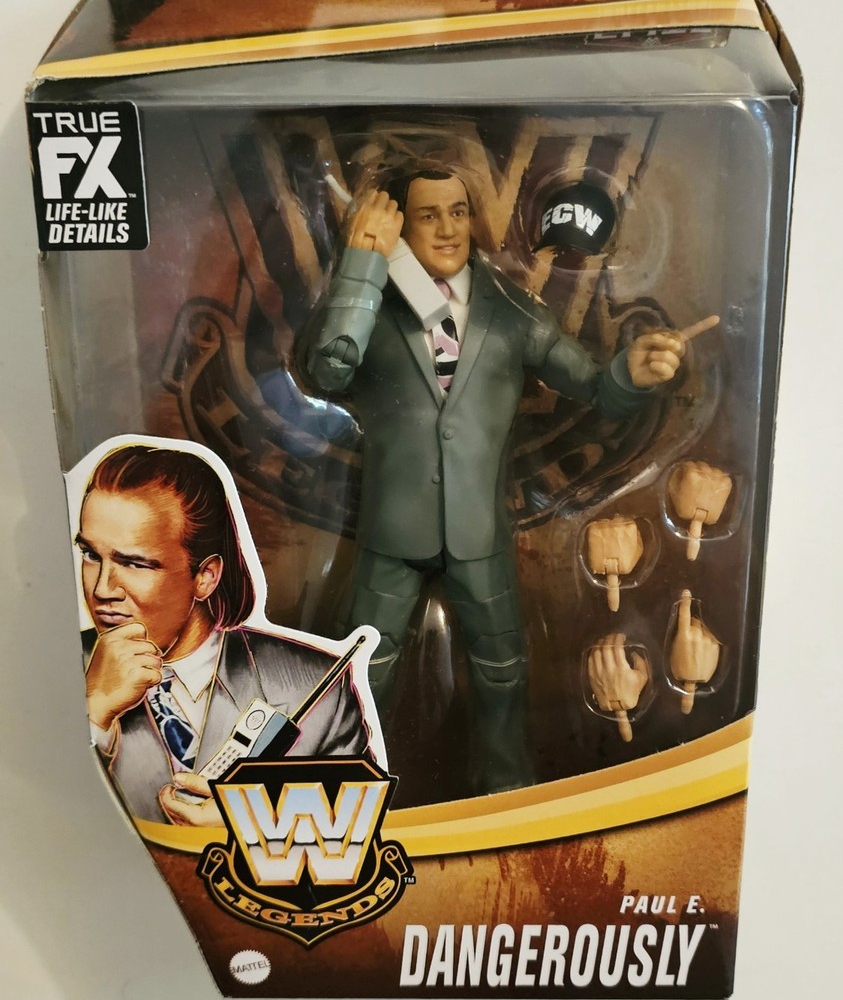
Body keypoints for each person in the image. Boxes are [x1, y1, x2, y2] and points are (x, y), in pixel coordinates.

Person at [302, 167, 685, 796]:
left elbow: (591, 385)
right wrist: (362, 265)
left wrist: (630, 375)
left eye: (457, 211)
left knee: (503, 671)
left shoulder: (508, 310)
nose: (447, 229)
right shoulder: (375, 303)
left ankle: (508, 795)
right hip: (391, 531)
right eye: (427, 215)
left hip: (480, 532)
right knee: (363, 670)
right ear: (398, 224)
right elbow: (328, 368)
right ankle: (343, 791)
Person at [78, 444, 372, 825]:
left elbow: (365, 828)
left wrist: (256, 825)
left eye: (134, 563)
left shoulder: (317, 689)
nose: (102, 589)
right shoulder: (51, 668)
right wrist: (94, 711)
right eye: (91, 555)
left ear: (205, 577)